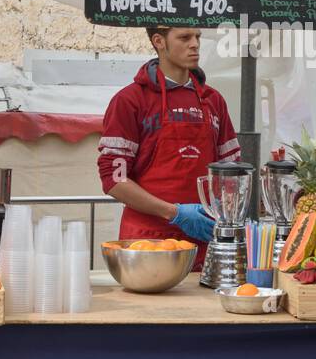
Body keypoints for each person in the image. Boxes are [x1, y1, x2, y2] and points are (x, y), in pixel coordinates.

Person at [98, 26, 240, 266]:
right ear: (159, 41)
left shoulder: (213, 100)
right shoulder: (130, 101)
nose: (195, 44)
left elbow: (231, 171)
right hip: (146, 244)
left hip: (204, 243)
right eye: (185, 38)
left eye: (197, 37)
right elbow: (114, 179)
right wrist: (175, 213)